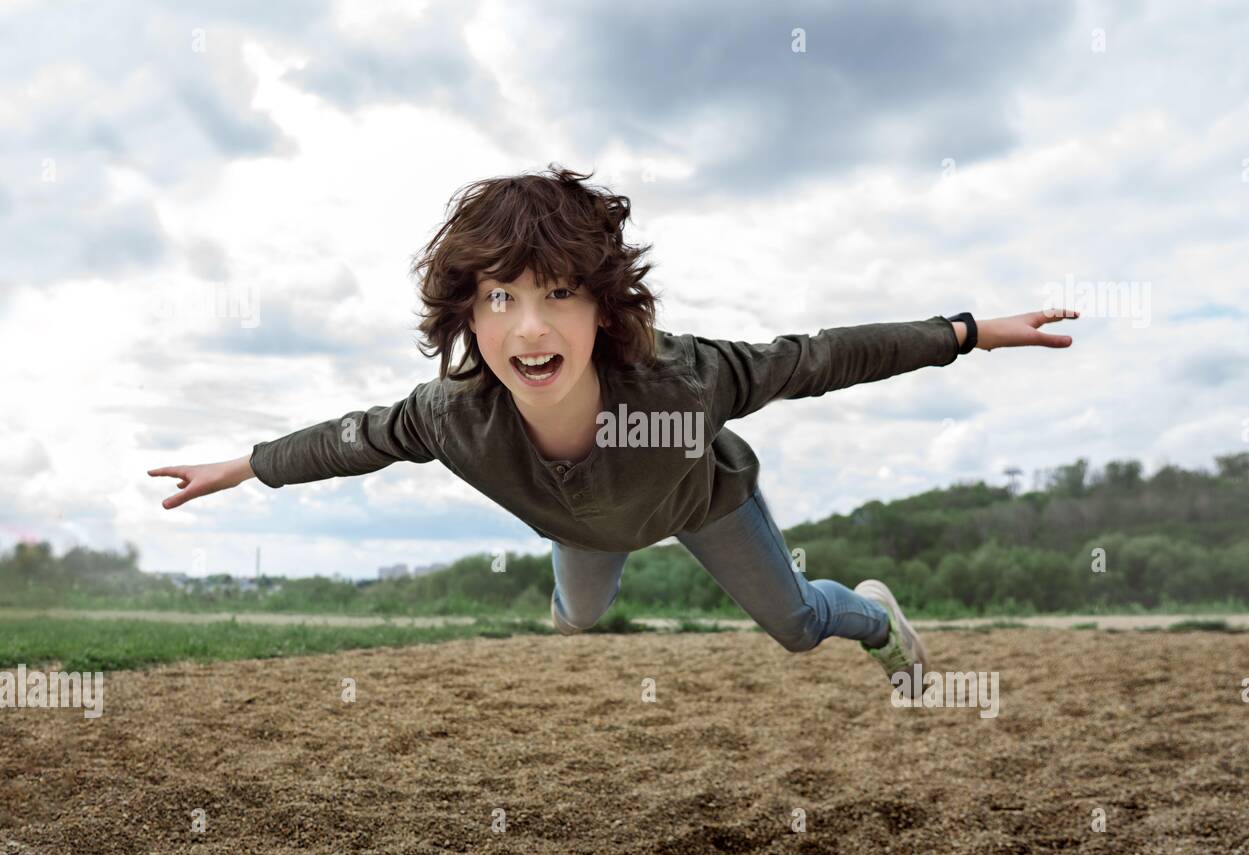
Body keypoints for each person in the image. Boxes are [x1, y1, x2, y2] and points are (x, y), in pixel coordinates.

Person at [148, 164, 1079, 696]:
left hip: (700, 501)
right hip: (583, 530)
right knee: (580, 619)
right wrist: (244, 466)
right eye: (500, 298)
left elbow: (820, 357)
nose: (530, 328)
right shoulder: (452, 417)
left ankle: (875, 618)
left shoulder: (684, 382)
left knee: (798, 627)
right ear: (468, 317)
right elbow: (350, 439)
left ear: (602, 309)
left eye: (559, 294)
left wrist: (965, 332)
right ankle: (575, 597)